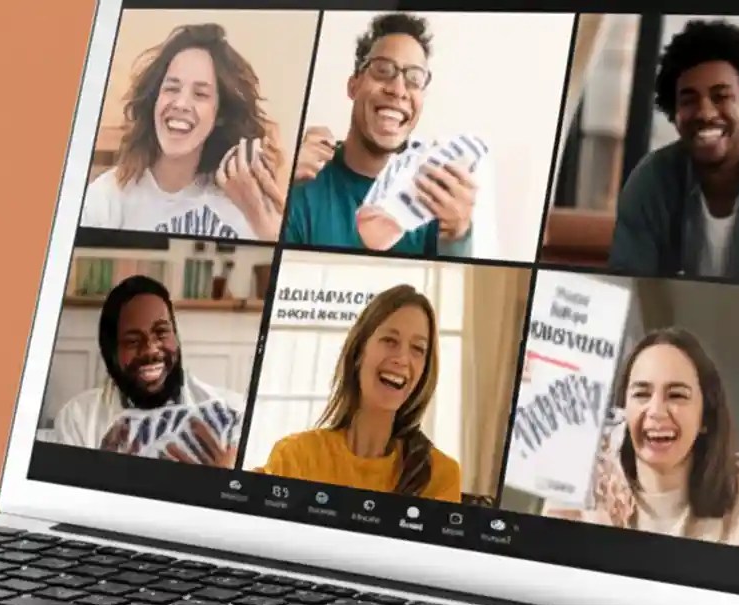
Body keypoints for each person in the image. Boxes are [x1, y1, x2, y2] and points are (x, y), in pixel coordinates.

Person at [608, 20, 739, 288]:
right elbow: (625, 288)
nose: (705, 113)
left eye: (721, 97)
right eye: (689, 100)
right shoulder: (651, 182)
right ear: (675, 114)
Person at [282, 12, 497, 259]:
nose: (398, 89)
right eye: (383, 70)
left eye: (414, 79)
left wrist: (458, 237)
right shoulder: (304, 185)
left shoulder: (436, 196)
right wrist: (279, 186)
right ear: (354, 85)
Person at [542, 327, 739, 547]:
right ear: (623, 412)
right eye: (641, 394)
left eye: (676, 395)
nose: (656, 411)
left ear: (705, 416)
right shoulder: (583, 489)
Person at [81, 23, 287, 242]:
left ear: (220, 115)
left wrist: (261, 218)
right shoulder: (106, 200)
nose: (180, 103)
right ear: (154, 101)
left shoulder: (243, 200)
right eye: (171, 88)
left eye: (200, 94)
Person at [257, 284, 462, 502]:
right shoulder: (295, 457)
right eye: (390, 341)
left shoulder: (441, 475)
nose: (402, 359)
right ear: (358, 353)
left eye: (418, 349)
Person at [53, 275, 243, 466]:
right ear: (110, 352)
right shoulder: (77, 418)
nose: (151, 350)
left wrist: (221, 484)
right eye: (133, 341)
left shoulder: (231, 413)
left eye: (161, 332)